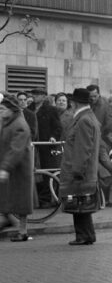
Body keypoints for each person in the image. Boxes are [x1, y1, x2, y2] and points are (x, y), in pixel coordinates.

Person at [0, 95, 34, 241]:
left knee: (21, 201)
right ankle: (9, 219)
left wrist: (5, 168)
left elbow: (16, 149)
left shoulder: (19, 125)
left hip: (18, 168)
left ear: (12, 110)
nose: (1, 111)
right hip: (7, 165)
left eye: (3, 109)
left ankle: (22, 231)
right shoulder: (8, 122)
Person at [61, 88, 101, 246]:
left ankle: (84, 235)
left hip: (79, 171)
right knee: (82, 205)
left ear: (74, 102)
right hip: (84, 170)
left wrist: (77, 170)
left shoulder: (83, 120)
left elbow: (83, 148)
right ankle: (87, 235)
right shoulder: (88, 117)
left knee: (79, 205)